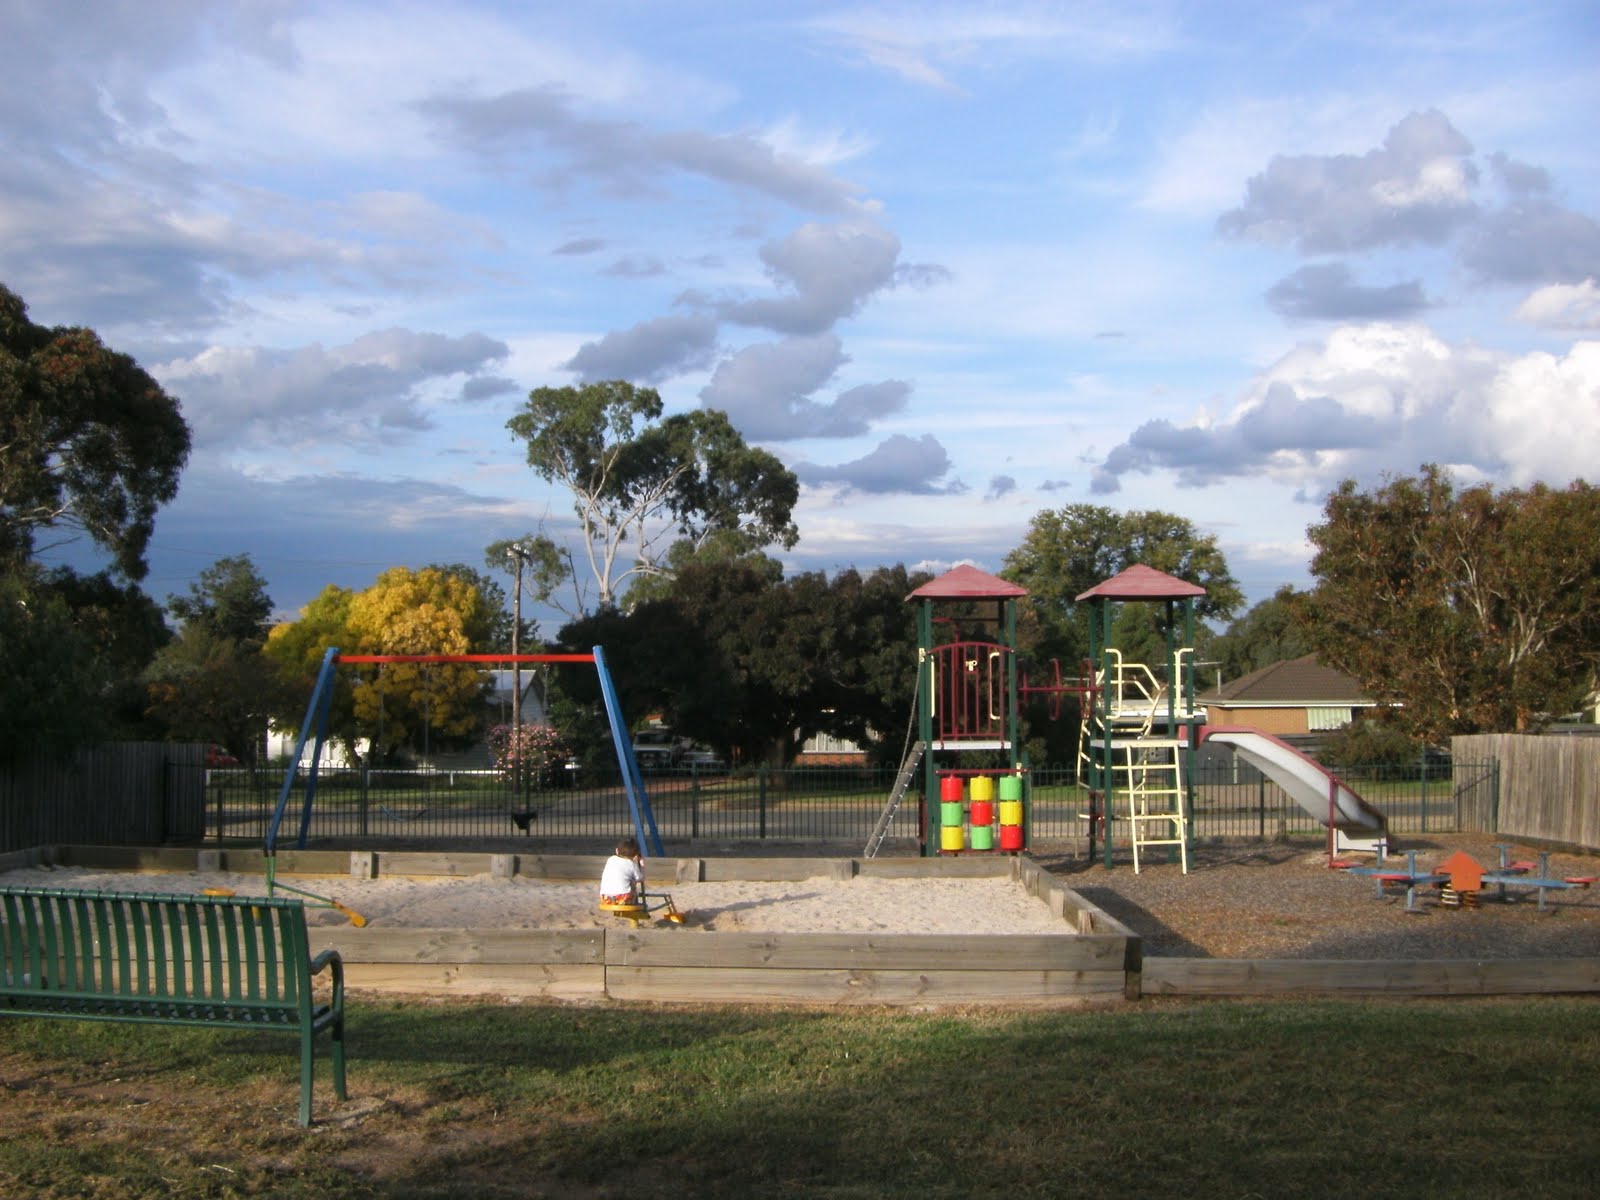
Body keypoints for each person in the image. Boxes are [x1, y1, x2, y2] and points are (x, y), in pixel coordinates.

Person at [599, 836, 645, 905]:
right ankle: (636, 904)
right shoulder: (632, 864)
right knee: (633, 883)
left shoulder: (610, 859)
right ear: (635, 856)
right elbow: (640, 878)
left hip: (605, 898)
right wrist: (642, 865)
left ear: (617, 851)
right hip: (623, 899)